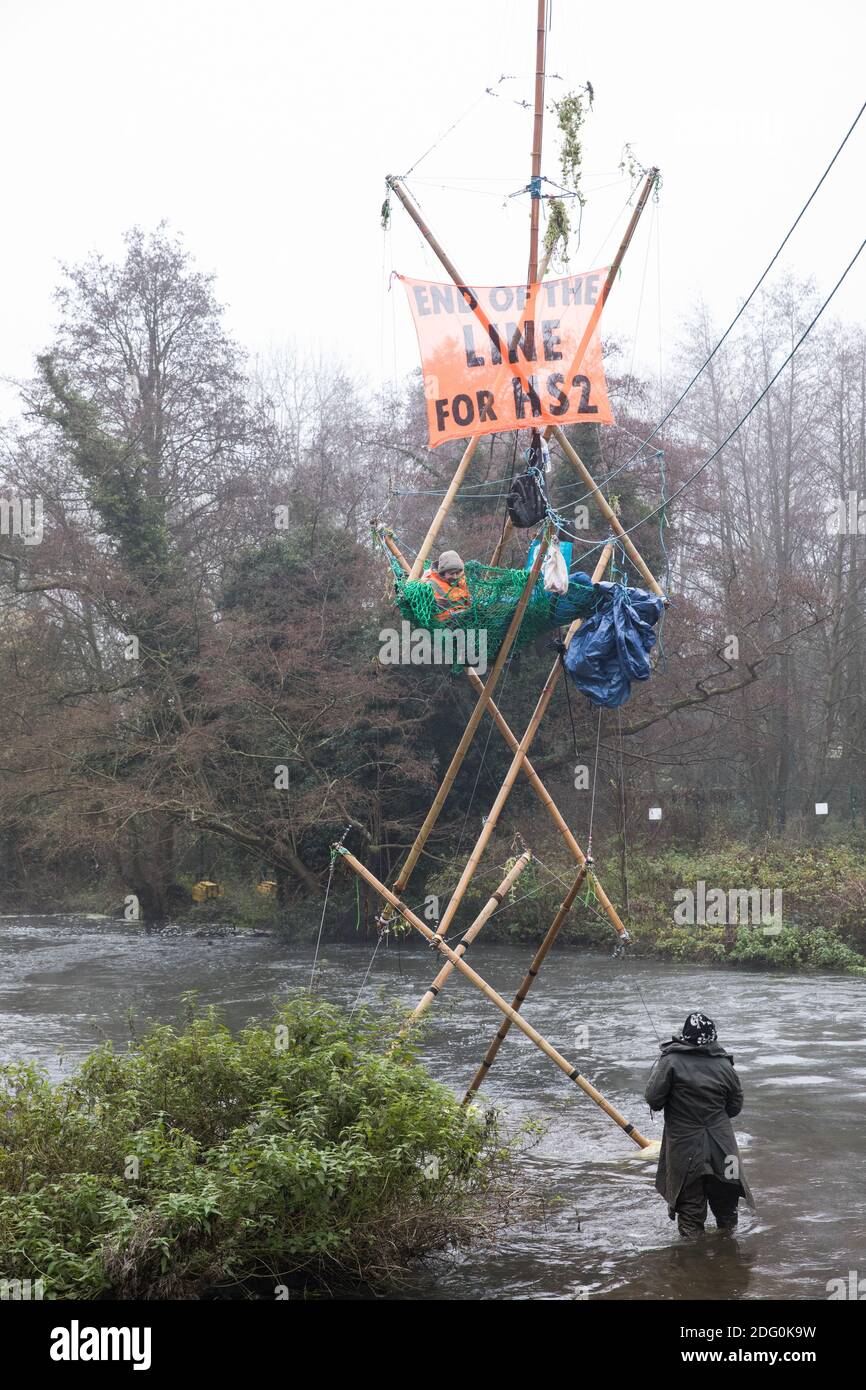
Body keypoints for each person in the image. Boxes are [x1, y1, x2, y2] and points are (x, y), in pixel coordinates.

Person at [645, 1012, 754, 1239]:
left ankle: (693, 1266)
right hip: (725, 1150)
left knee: (690, 1214)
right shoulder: (725, 1064)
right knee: (728, 1211)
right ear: (712, 1037)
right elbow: (734, 1107)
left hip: (685, 1152)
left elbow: (654, 1100)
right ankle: (729, 1262)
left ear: (685, 1036)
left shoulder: (670, 1061)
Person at [423, 549, 472, 621]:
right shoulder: (431, 585)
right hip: (446, 624)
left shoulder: (462, 577)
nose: (455, 577)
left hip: (466, 615)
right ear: (442, 573)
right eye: (451, 573)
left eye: (457, 573)